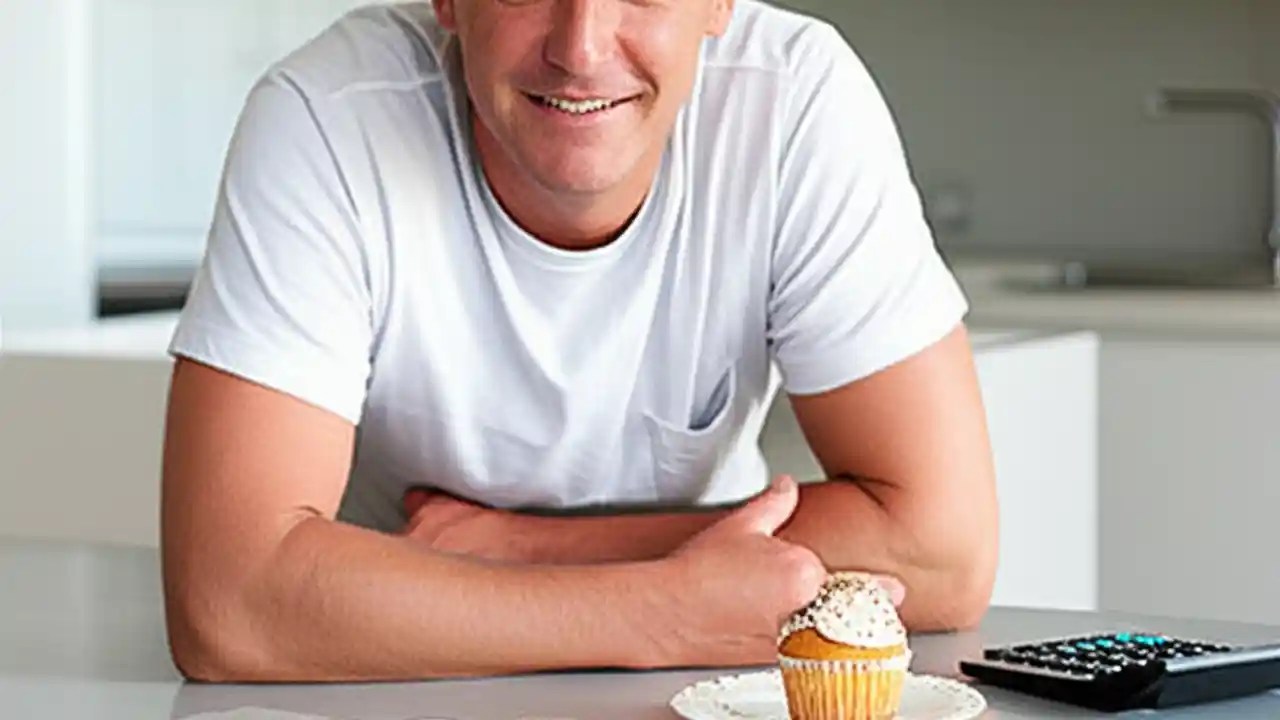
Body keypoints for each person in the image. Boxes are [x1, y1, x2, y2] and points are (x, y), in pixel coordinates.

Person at [159, 0, 998, 683]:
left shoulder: (795, 102)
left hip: (700, 681)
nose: (582, 47)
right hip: (400, 675)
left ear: (720, 5)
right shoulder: (327, 116)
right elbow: (229, 603)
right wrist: (662, 613)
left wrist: (523, 550)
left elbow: (944, 553)